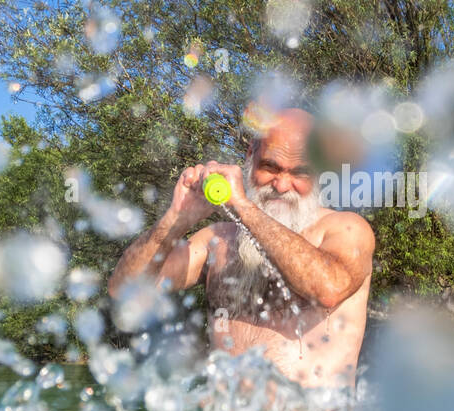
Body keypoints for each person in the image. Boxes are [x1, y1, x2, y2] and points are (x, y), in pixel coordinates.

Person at [109, 107, 374, 390]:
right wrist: (176, 219)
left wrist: (243, 206)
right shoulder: (218, 241)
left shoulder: (346, 229)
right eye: (270, 167)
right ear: (250, 156)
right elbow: (124, 290)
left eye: (300, 173)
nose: (282, 185)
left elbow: (328, 290)